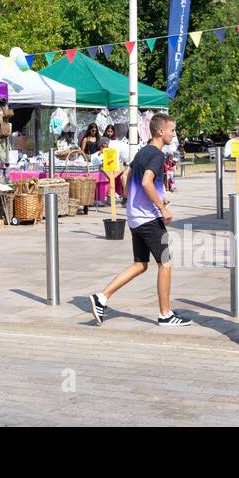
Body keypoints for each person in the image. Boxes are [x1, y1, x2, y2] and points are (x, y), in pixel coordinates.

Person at [89, 112, 190, 328]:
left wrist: (132, 198)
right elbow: (146, 181)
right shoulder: (157, 155)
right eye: (172, 130)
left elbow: (126, 174)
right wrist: (162, 208)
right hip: (149, 219)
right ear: (161, 131)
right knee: (166, 263)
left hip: (135, 218)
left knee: (140, 264)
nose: (174, 134)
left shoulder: (143, 151)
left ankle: (102, 297)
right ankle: (165, 314)